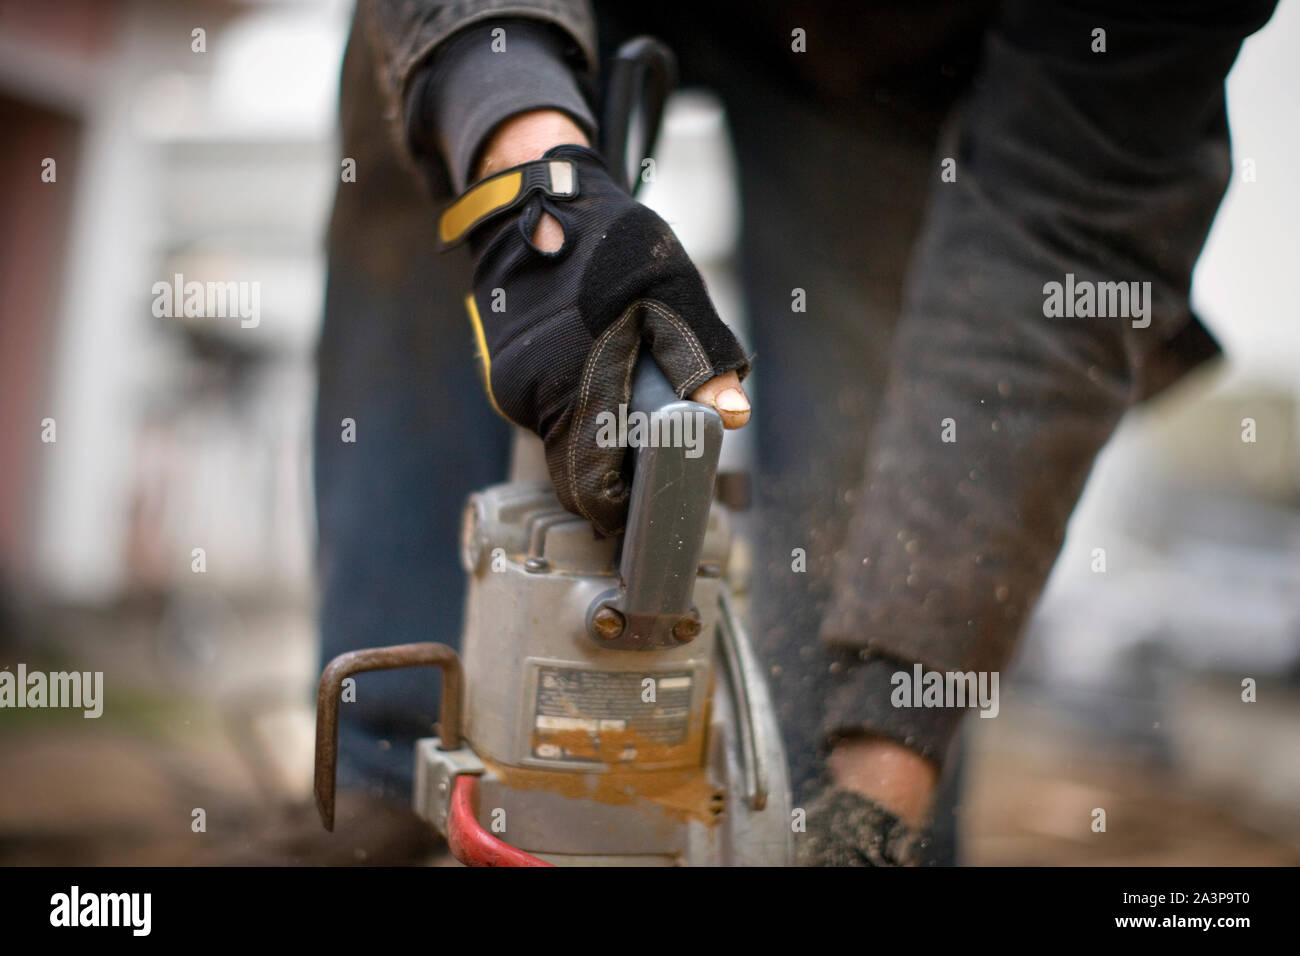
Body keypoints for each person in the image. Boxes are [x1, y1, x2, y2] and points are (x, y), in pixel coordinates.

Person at [314, 0, 1278, 865]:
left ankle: (847, 806)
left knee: (872, 486)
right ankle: (381, 777)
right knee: (435, 110)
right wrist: (535, 195)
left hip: (880, 61)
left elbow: (1067, 232)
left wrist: (880, 790)